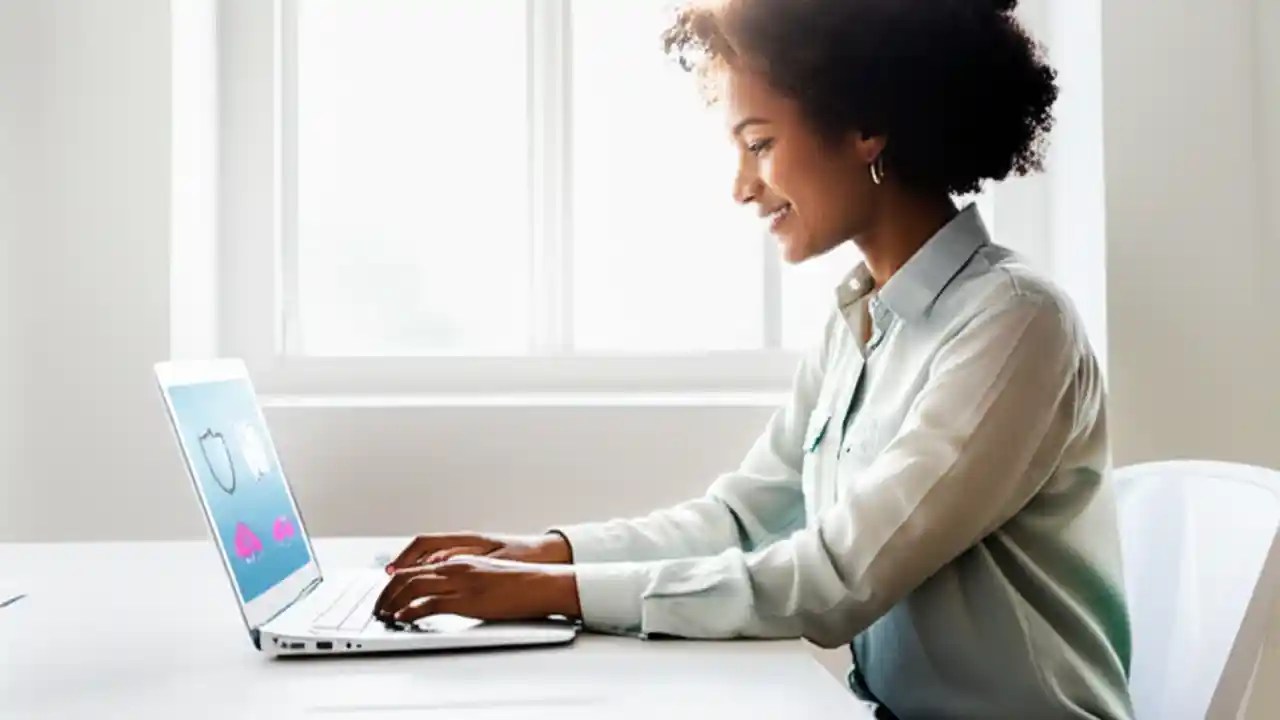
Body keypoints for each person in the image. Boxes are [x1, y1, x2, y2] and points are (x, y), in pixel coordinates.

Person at [374, 0, 1133, 716]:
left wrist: (553, 591)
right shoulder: (861, 321)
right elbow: (740, 520)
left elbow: (837, 581)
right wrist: (539, 555)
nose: (742, 187)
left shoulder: (1015, 325)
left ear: (867, 124)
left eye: (760, 144)